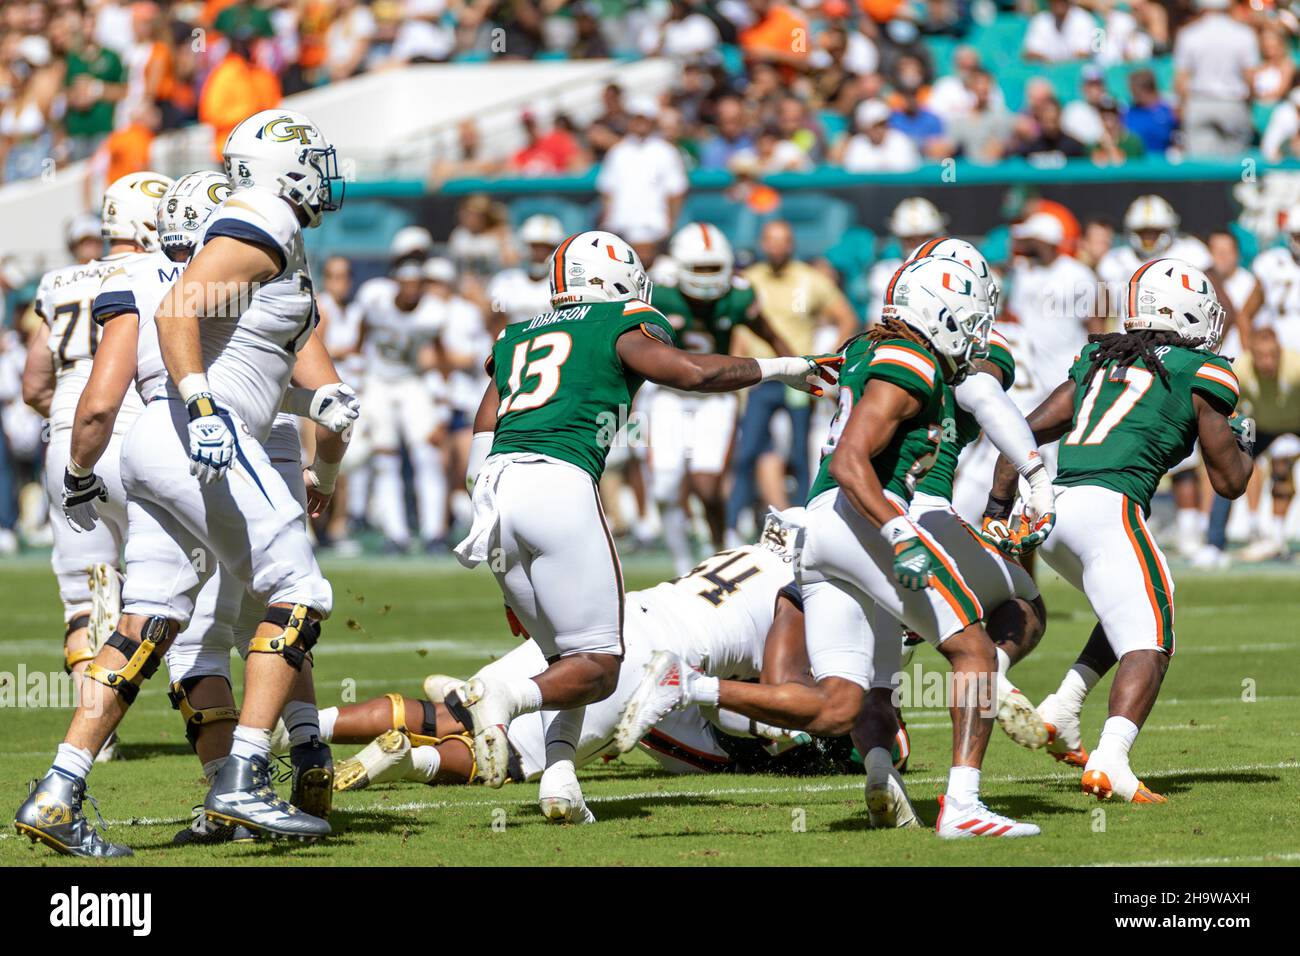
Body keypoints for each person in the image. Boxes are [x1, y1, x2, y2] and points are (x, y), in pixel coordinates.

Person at [15, 108, 350, 854]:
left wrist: (312, 399)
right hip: (203, 434)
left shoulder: (223, 243)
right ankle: (244, 777)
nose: (326, 176)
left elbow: (243, 351)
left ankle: (59, 790)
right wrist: (201, 401)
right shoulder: (262, 215)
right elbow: (181, 310)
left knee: (147, 622)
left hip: (157, 444)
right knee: (298, 594)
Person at [616, 256, 1044, 838]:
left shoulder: (872, 350)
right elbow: (850, 462)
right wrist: (899, 534)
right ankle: (965, 807)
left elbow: (834, 380)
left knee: (842, 703)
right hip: (863, 523)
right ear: (939, 314)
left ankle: (687, 686)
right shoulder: (911, 363)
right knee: (972, 651)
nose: (975, 333)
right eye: (969, 318)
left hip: (817, 536)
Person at [448, 229, 839, 824]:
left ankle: (559, 781)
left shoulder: (519, 332)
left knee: (567, 658)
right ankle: (504, 698)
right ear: (609, 278)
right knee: (602, 667)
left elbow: (491, 407)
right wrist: (786, 366)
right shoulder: (616, 324)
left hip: (496, 488)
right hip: (557, 482)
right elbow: (689, 373)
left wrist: (480, 485)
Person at [986, 259, 1253, 800]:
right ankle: (1112, 760)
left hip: (1056, 511)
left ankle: (1062, 707)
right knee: (1153, 633)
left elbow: (1020, 431)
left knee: (1126, 607)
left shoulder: (1098, 362)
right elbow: (1229, 482)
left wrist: (998, 505)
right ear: (1178, 311)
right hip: (1109, 512)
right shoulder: (1200, 371)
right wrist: (1243, 441)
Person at [20, 172, 170, 754]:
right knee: (175, 588)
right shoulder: (155, 274)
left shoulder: (59, 280)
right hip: (134, 438)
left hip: (67, 442)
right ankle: (221, 719)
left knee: (83, 597)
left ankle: (94, 738)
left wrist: (62, 415)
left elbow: (36, 378)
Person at [647, 222, 795, 575]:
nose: (707, 277)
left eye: (713, 267)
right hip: (668, 395)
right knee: (666, 487)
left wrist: (795, 368)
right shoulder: (659, 292)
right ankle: (684, 563)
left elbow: (770, 334)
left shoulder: (739, 296)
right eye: (699, 268)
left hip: (715, 397)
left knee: (707, 485)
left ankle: (718, 547)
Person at [730, 220, 859, 541]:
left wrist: (824, 359)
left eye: (783, 240)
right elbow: (738, 332)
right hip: (759, 376)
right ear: (762, 243)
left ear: (792, 244)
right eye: (771, 240)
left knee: (801, 454)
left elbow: (846, 318)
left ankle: (806, 524)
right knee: (747, 451)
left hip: (798, 379)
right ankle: (734, 526)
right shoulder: (749, 281)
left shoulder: (809, 280)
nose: (777, 247)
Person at [596, 96, 687, 266]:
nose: (640, 123)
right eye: (637, 118)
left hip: (655, 232)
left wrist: (670, 224)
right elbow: (607, 191)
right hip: (620, 230)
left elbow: (676, 192)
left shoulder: (666, 151)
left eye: (644, 118)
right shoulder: (618, 152)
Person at [1173, 0, 1258, 158]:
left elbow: (1180, 80)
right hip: (1232, 103)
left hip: (1200, 102)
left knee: (1202, 167)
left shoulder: (1189, 34)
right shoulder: (1244, 34)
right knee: (1237, 164)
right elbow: (1250, 77)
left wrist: (1182, 105)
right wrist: (1249, 104)